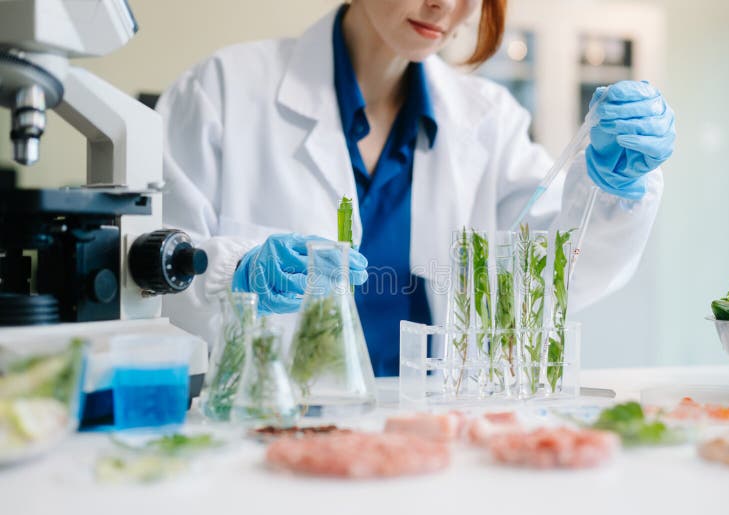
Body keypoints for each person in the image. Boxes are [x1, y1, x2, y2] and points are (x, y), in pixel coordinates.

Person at [158, 0, 675, 376]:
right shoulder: (224, 90)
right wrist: (233, 275)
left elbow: (557, 272)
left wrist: (613, 185)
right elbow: (147, 276)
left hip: (431, 433)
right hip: (271, 434)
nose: (444, 5)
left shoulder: (489, 120)